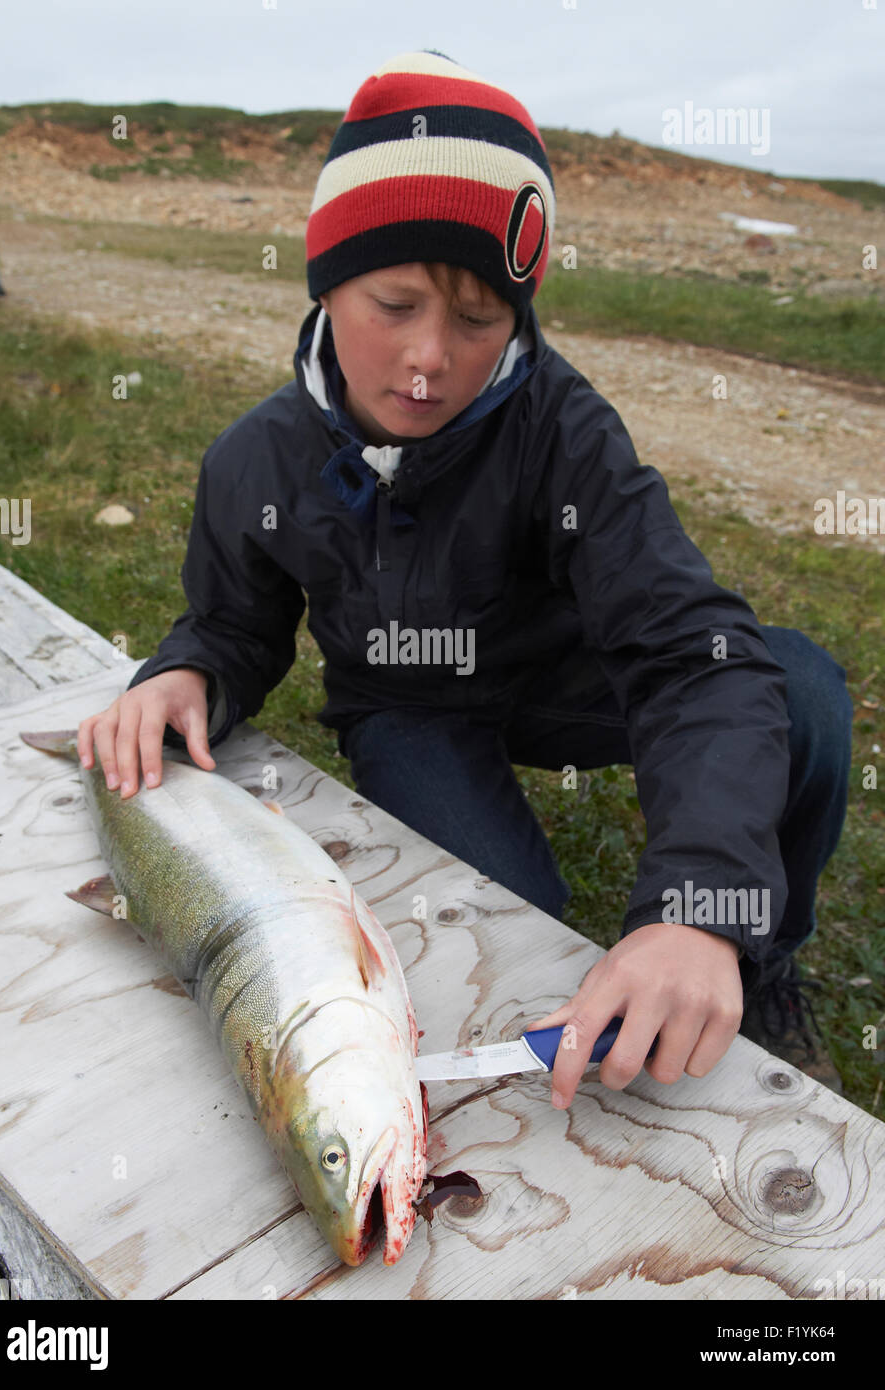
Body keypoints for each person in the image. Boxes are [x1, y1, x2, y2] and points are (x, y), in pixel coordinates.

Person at [78, 49, 853, 1100]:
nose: (430, 358)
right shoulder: (253, 460)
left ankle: (760, 964)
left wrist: (702, 905)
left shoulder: (568, 431)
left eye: (480, 318)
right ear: (324, 284)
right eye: (392, 303)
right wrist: (186, 673)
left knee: (795, 690)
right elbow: (234, 628)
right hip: (410, 711)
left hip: (562, 685)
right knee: (513, 947)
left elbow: (689, 655)